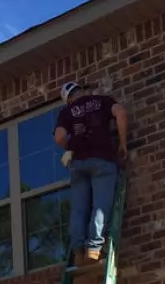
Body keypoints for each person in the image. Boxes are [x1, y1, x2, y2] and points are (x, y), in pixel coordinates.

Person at [54, 81, 128, 266]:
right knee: (100, 206)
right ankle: (93, 249)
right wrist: (123, 143)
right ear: (80, 91)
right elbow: (121, 113)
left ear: (68, 98)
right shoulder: (102, 101)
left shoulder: (67, 112)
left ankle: (78, 251)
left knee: (79, 208)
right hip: (102, 158)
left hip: (78, 162)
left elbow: (60, 137)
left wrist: (70, 147)